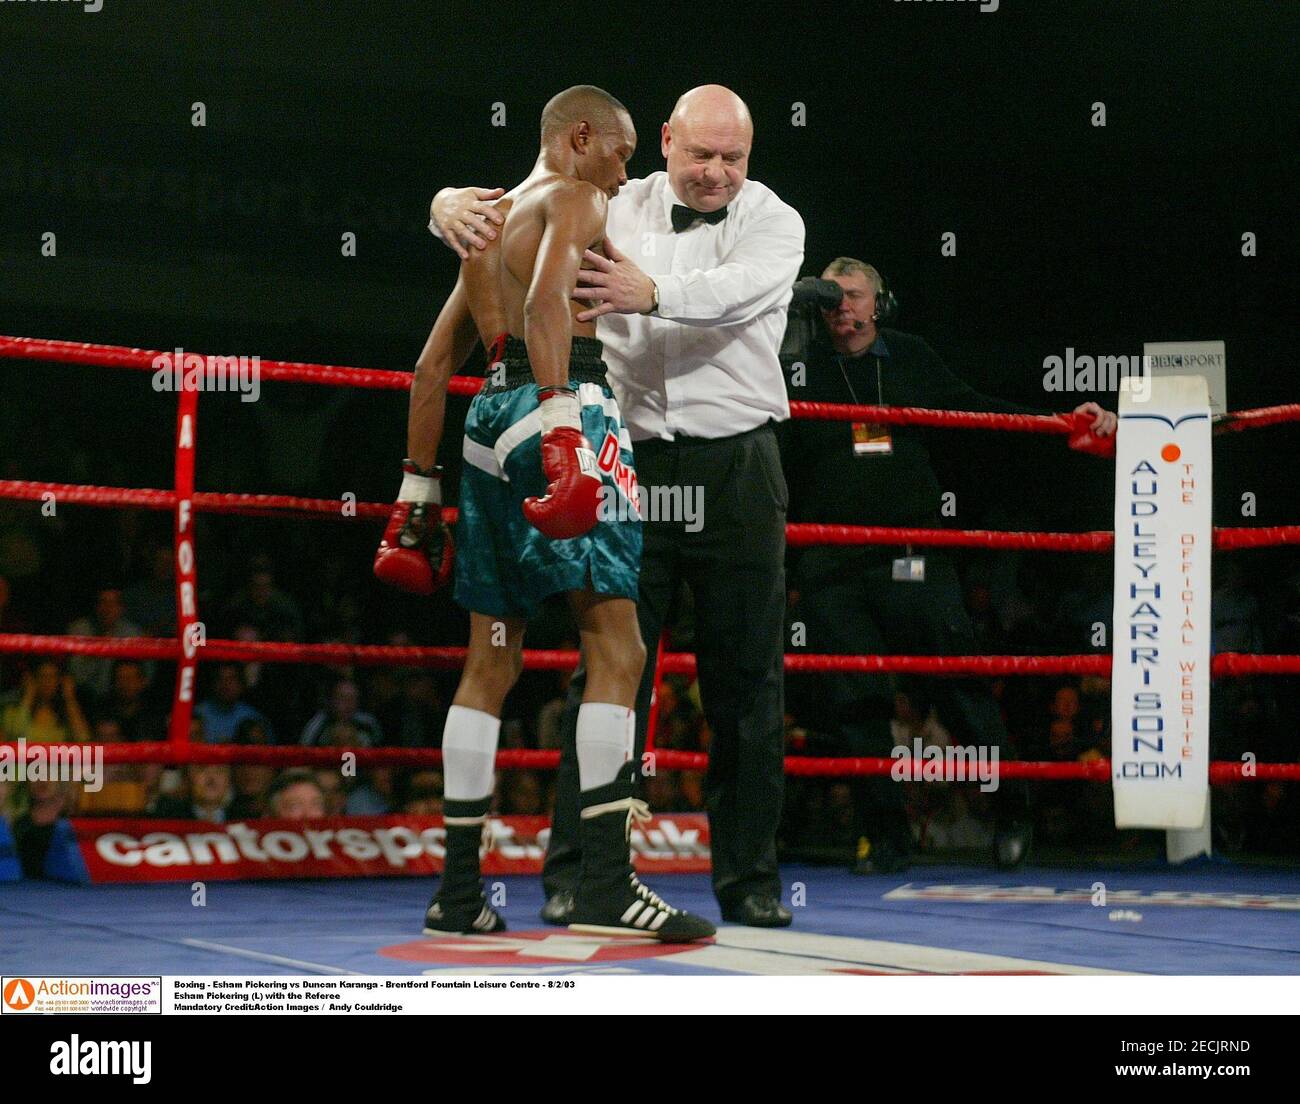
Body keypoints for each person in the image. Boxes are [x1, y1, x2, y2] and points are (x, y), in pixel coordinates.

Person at [429, 84, 804, 928]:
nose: (716, 172)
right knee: (611, 665)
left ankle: (749, 881)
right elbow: (513, 210)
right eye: (701, 153)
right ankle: (579, 875)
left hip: (735, 463)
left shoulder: (777, 221)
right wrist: (445, 204)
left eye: (733, 158)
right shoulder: (607, 195)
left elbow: (739, 292)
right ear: (665, 140)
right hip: (617, 451)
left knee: (746, 681)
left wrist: (653, 292)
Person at [377, 85, 713, 941]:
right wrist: (563, 424)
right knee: (618, 642)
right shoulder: (576, 196)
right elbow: (544, 308)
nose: (624, 169)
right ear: (579, 138)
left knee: (491, 656)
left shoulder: (484, 226)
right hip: (563, 400)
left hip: (486, 422)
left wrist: (418, 490)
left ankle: (458, 896)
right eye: (621, 151)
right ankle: (605, 882)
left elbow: (426, 369)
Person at [781, 257, 1117, 872]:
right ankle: (886, 837)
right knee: (855, 702)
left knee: (959, 688)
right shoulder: (794, 362)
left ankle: (1014, 809)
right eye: (830, 298)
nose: (842, 308)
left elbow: (977, 410)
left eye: (853, 296)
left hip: (912, 555)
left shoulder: (910, 356)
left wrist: (1065, 424)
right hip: (831, 564)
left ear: (881, 303)